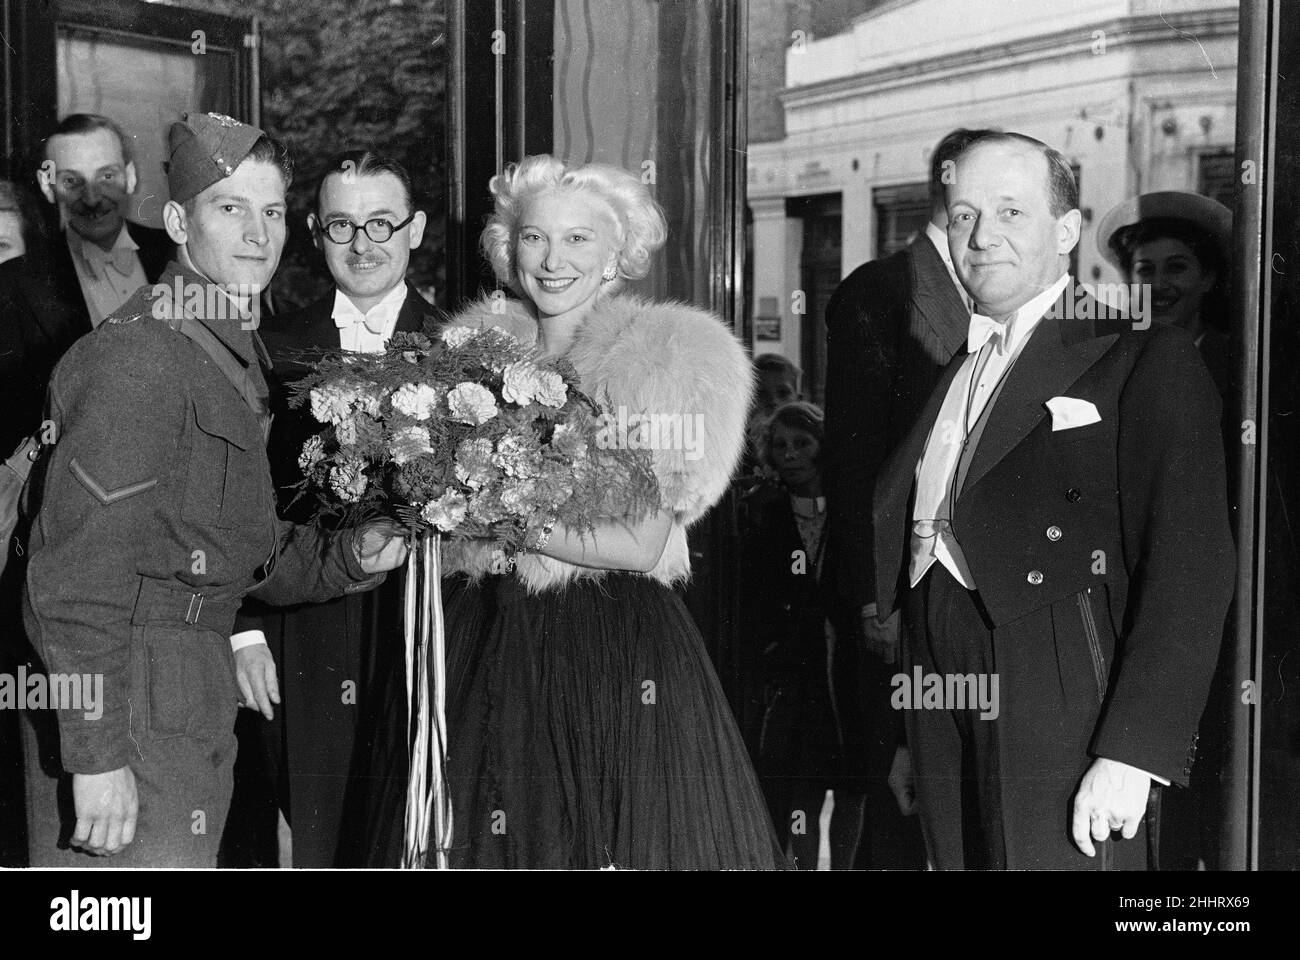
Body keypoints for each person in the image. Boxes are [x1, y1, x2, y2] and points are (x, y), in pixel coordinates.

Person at [363, 154, 786, 869]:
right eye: (534, 239)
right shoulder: (470, 356)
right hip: (479, 632)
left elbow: (640, 546)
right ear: (509, 249)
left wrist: (506, 516)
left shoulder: (667, 358)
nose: (552, 261)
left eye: (579, 240)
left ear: (619, 251)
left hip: (608, 649)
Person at [20, 112, 409, 868]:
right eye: (230, 208)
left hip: (189, 694)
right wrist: (95, 758)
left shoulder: (224, 356)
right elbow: (73, 580)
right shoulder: (142, 357)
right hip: (132, 698)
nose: (258, 233)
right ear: (175, 221)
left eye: (270, 212)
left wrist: (349, 554)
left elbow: (239, 552)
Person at [872, 131, 1235, 869]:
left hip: (1058, 677)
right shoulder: (959, 368)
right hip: (938, 681)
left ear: (1066, 231)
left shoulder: (1139, 353)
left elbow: (1191, 566)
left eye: (1011, 212)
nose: (982, 236)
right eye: (965, 214)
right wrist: (910, 729)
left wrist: (1134, 751)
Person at [230, 150, 440, 868]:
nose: (364, 244)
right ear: (316, 232)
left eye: (382, 222)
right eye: (343, 225)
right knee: (320, 834)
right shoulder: (269, 344)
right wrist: (243, 632)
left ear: (414, 229)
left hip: (428, 626)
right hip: (303, 628)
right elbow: (235, 499)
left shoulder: (465, 345)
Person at [1097, 190, 1236, 870]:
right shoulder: (1115, 363)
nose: (1159, 286)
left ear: (1209, 277)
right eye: (1144, 271)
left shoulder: (1246, 366)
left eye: (1176, 267)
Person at [741, 401, 874, 869]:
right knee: (803, 780)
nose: (791, 454)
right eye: (780, 446)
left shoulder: (850, 514)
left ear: (822, 447)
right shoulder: (765, 514)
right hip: (797, 667)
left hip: (850, 664)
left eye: (802, 443)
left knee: (853, 778)